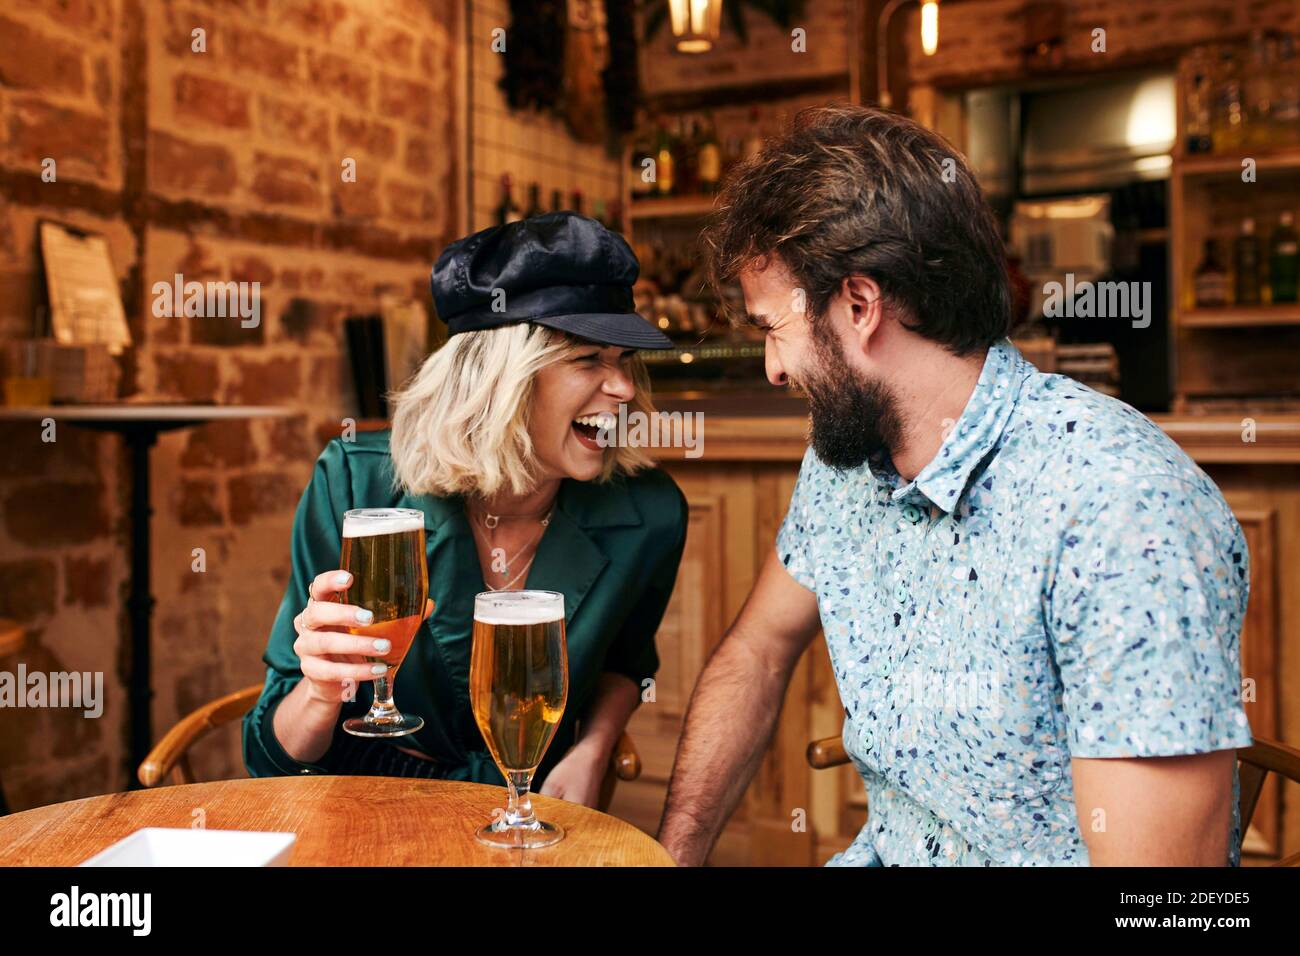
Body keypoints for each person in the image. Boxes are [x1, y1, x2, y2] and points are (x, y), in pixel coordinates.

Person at [657, 105, 1253, 866]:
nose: (773, 369)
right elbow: (758, 654)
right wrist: (672, 859)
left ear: (860, 306)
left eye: (773, 328)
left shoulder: (1121, 509)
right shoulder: (848, 461)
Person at [243, 212, 688, 808]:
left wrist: (594, 747)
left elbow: (627, 664)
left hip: (529, 809)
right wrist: (321, 692)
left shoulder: (649, 514)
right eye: (588, 360)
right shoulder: (356, 482)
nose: (625, 389)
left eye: (623, 360)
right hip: (360, 795)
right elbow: (269, 755)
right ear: (500, 378)